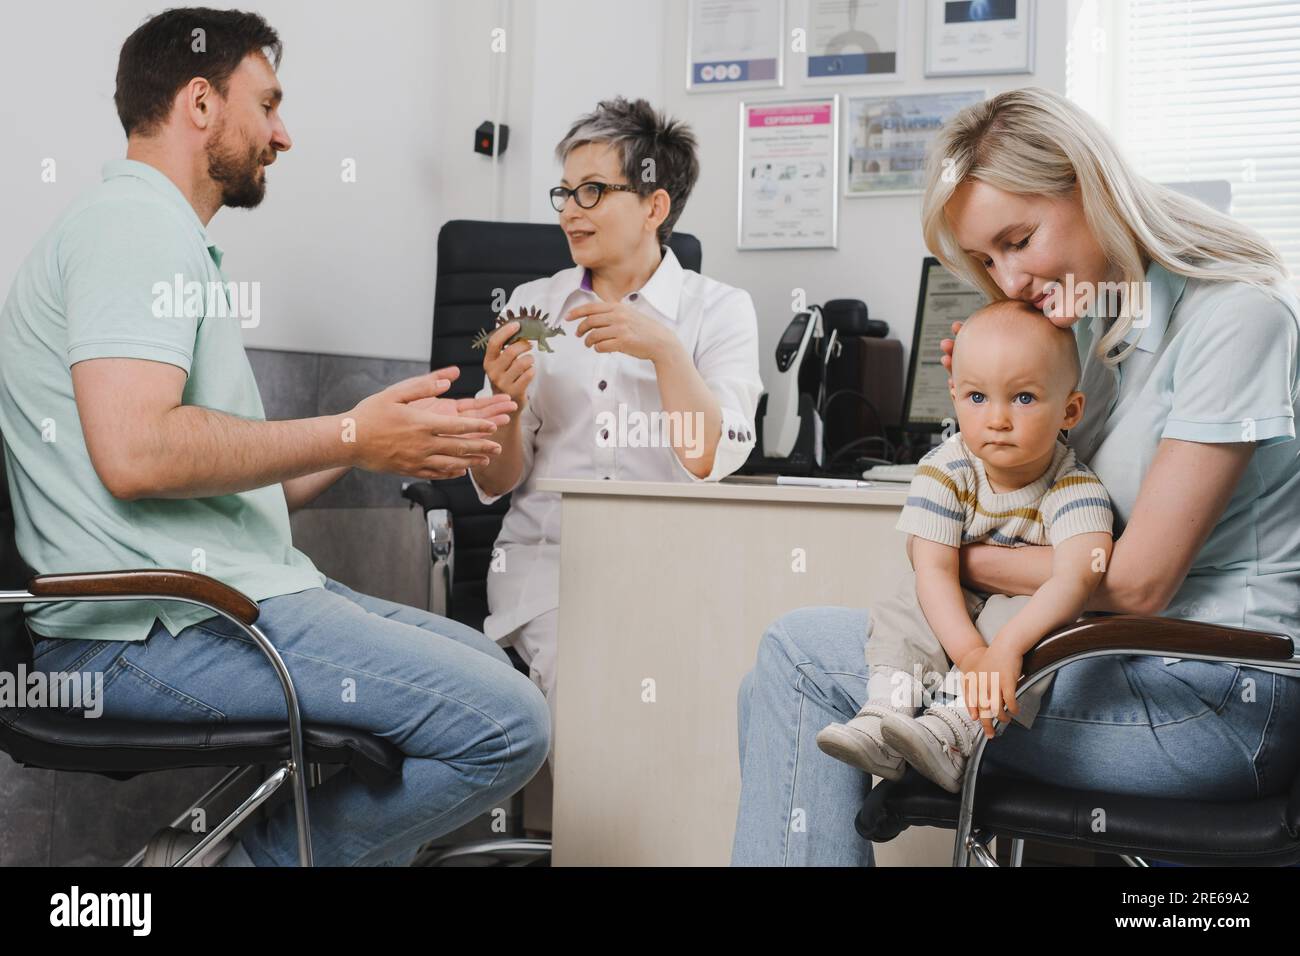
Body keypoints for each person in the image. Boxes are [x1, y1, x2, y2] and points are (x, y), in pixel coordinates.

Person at [0, 8, 549, 867]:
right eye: (268, 103)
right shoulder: (134, 229)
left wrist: (366, 436)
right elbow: (138, 452)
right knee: (508, 722)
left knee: (484, 670)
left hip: (211, 606)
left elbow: (238, 480)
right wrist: (349, 430)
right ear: (200, 103)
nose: (284, 134)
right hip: (148, 632)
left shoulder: (163, 238)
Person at [732, 86, 1300, 866]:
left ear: (1086, 184)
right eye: (988, 262)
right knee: (783, 685)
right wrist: (991, 394)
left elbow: (1135, 584)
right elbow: (1026, 505)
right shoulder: (1092, 334)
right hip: (1110, 665)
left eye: (1019, 239)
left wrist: (949, 558)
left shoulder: (1235, 320)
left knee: (799, 659)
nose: (1009, 278)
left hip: (1219, 700)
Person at [469, 98, 763, 760]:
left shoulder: (719, 312)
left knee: (713, 708)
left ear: (655, 206)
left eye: (594, 191)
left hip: (676, 573)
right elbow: (493, 479)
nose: (571, 210)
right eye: (565, 193)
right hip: (552, 571)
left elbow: (709, 459)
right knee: (600, 704)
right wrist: (509, 405)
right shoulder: (533, 306)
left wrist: (664, 351)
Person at [816, 300, 1114, 793]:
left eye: (1023, 399)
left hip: (1014, 622)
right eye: (978, 398)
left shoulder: (1074, 487)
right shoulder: (946, 467)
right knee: (905, 598)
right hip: (951, 605)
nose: (997, 419)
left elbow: (1077, 578)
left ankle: (953, 734)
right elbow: (931, 567)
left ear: (1070, 409)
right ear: (954, 397)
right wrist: (969, 651)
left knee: (1020, 610)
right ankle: (885, 713)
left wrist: (1003, 649)